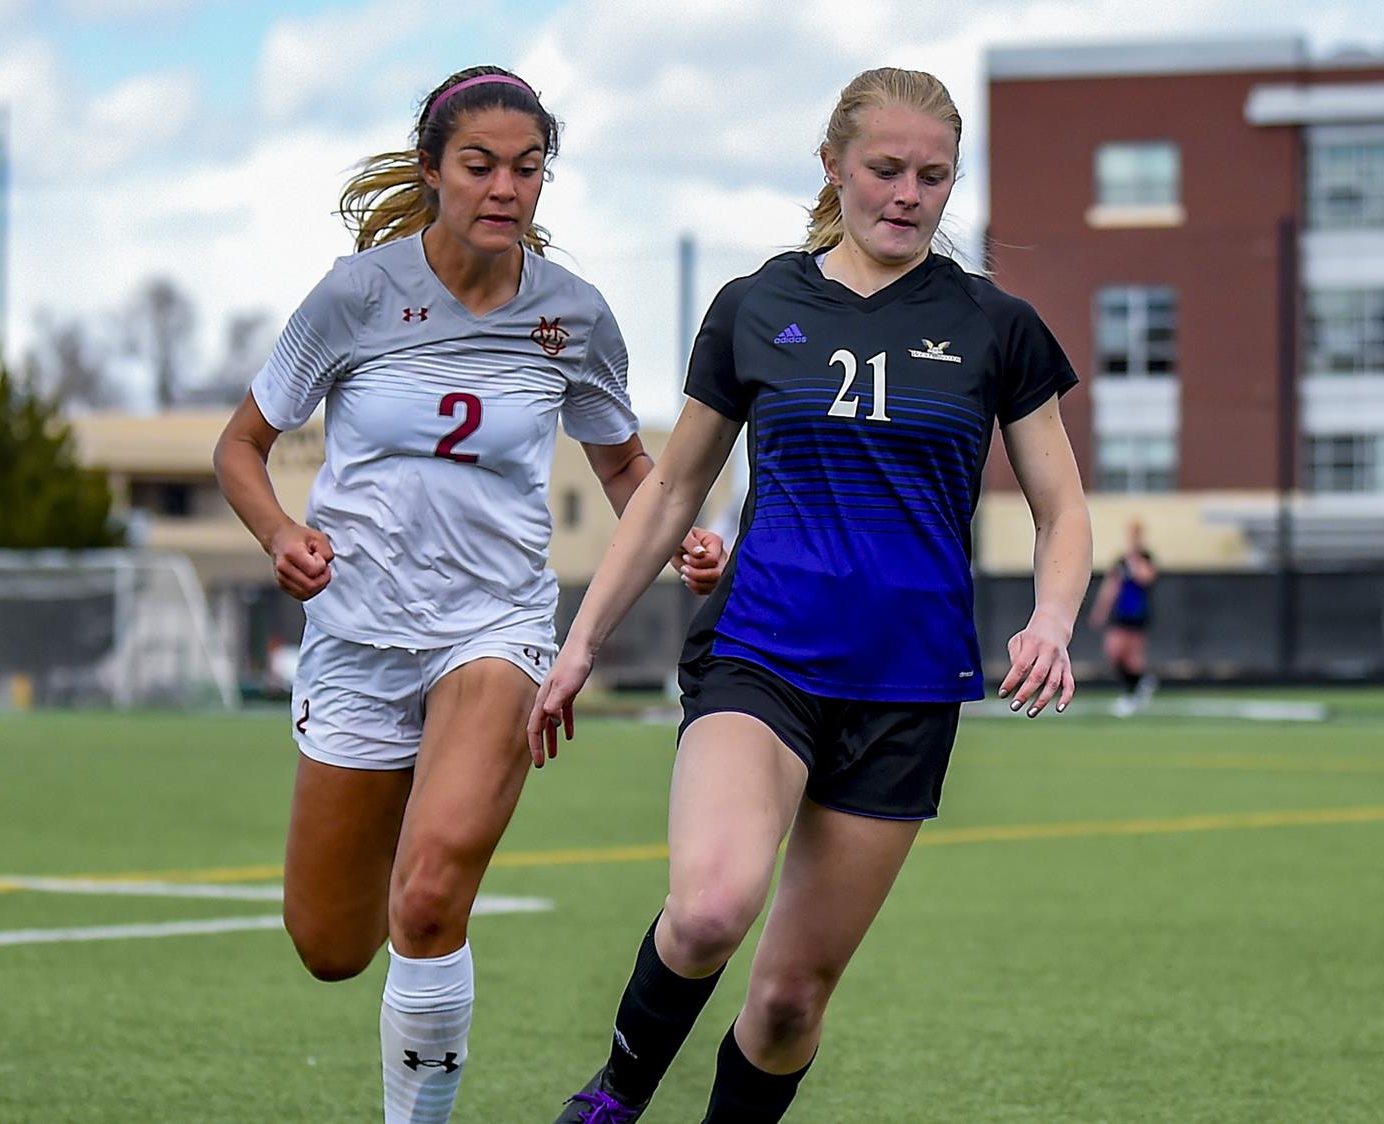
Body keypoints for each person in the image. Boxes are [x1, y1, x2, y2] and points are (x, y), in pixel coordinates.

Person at [527, 67, 1092, 1123]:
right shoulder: (755, 305)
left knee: (787, 999)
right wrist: (581, 640)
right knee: (706, 909)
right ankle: (608, 1101)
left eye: (932, 175)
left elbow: (1064, 512)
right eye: (884, 168)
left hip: (907, 688)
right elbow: (671, 492)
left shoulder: (993, 324)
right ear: (832, 165)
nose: (905, 193)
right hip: (762, 654)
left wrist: (1051, 620)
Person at [211, 65, 723, 1123]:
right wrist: (279, 535)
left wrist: (680, 539)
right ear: (431, 170)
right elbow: (240, 446)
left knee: (432, 896)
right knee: (330, 945)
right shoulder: (356, 293)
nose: (505, 188)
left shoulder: (573, 317)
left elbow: (625, 469)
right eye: (481, 166)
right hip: (355, 636)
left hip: (493, 628)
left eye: (527, 169)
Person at [1089, 519, 1157, 715]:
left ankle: (1133, 694)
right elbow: (1111, 586)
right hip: (1121, 611)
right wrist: (1100, 611)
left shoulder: (1145, 557)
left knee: (1133, 657)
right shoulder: (1121, 561)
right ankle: (1141, 683)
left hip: (1138, 612)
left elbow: (1146, 577)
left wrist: (1134, 562)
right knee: (1113, 652)